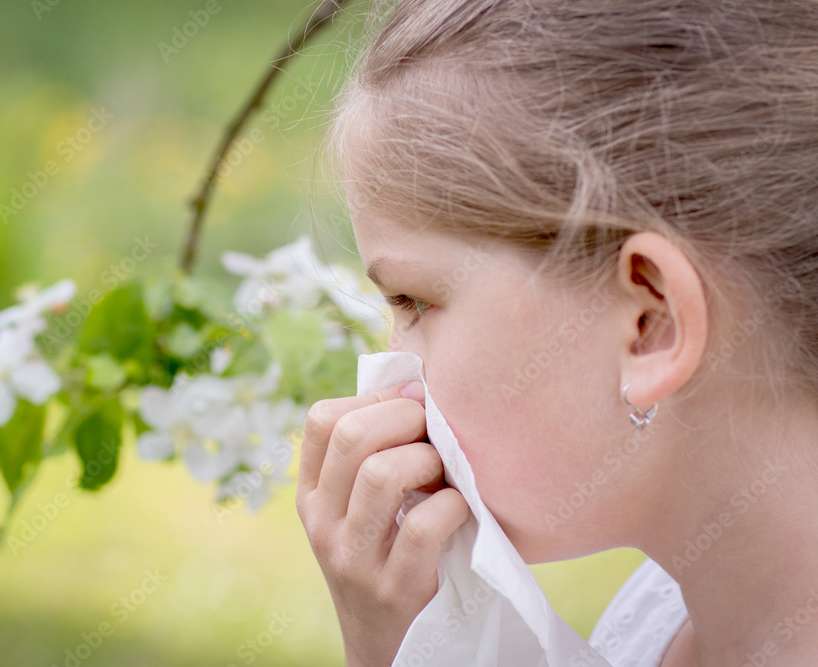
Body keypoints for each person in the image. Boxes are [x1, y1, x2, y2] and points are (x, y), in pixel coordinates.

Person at [295, 1, 818, 666]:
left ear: (650, 321)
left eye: (416, 302)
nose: (392, 385)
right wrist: (403, 641)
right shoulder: (664, 615)